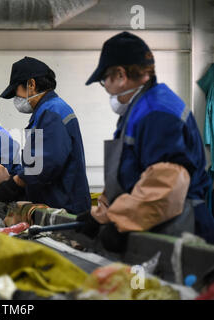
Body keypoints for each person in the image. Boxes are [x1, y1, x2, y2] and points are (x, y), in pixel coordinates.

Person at [79, 31, 214, 250]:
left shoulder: (157, 112)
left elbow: (165, 183)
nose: (106, 88)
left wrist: (119, 221)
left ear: (121, 75)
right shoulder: (138, 109)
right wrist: (101, 215)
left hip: (180, 233)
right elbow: (127, 176)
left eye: (105, 80)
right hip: (158, 227)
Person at [0, 57, 91, 215]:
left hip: (64, 209)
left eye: (16, 90)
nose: (16, 97)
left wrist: (14, 184)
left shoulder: (51, 112)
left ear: (31, 84)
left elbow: (46, 164)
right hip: (57, 204)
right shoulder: (48, 111)